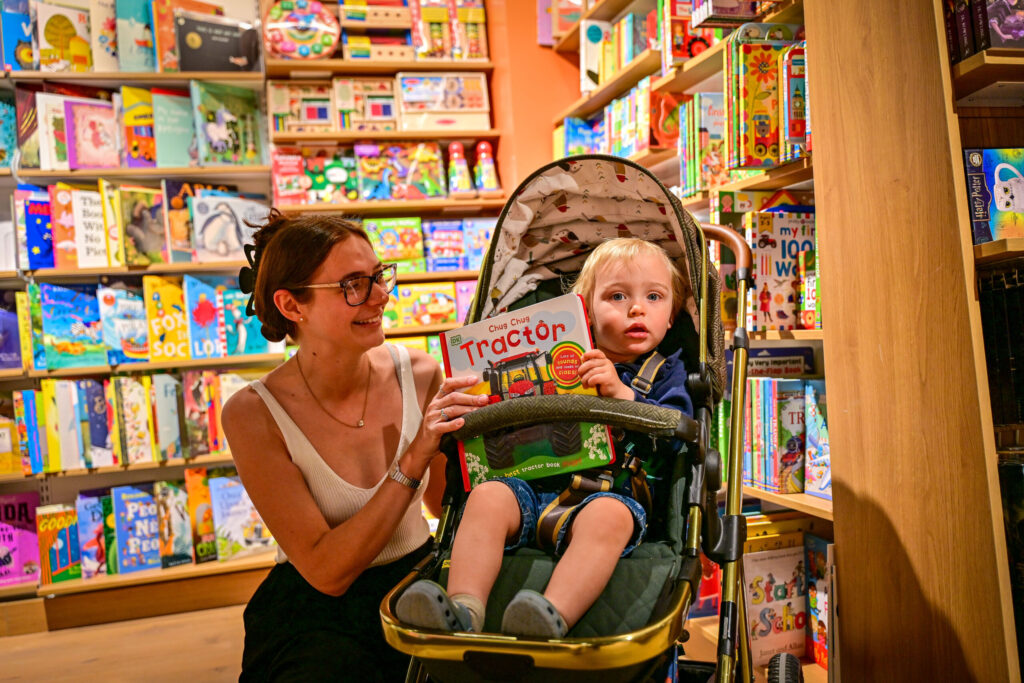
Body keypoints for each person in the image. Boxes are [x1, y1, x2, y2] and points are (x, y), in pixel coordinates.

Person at [221, 210, 488, 681]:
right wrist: (414, 456)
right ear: (292, 306)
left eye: (379, 276)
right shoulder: (253, 413)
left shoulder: (422, 373)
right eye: (353, 284)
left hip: (418, 584)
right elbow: (327, 571)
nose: (380, 296)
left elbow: (442, 504)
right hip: (318, 612)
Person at [395, 238, 693, 639]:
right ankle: (464, 609)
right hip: (527, 490)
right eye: (617, 296)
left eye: (654, 297)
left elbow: (679, 433)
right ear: (582, 312)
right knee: (486, 496)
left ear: (672, 316)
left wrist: (624, 396)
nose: (636, 308)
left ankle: (550, 615)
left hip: (611, 495)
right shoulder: (558, 359)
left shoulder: (666, 372)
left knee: (609, 517)